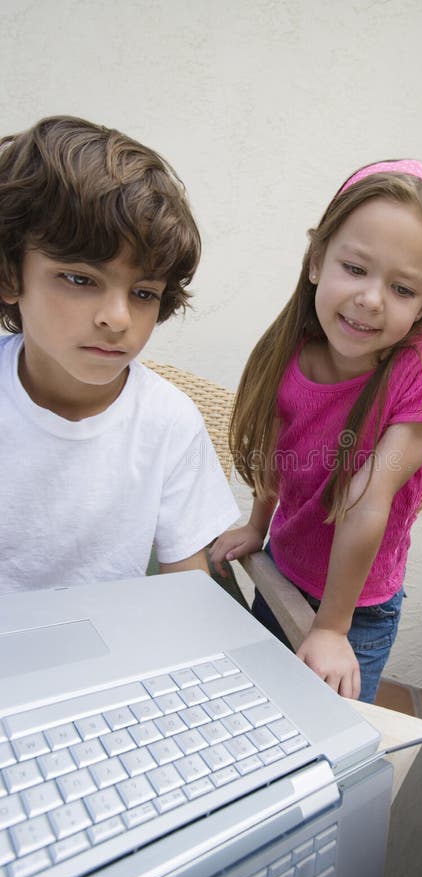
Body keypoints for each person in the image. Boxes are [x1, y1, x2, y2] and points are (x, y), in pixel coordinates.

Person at [211, 159, 422, 703]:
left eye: (402, 288)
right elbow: (277, 456)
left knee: (322, 738)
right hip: (282, 573)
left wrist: (331, 628)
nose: (372, 299)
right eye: (355, 269)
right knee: (257, 708)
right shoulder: (290, 353)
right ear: (315, 262)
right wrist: (258, 526)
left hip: (358, 613)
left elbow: (366, 496)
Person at [0, 115, 239, 595]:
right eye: (80, 279)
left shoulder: (170, 422)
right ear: (10, 276)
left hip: (112, 655)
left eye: (144, 293)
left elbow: (185, 593)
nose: (118, 318)